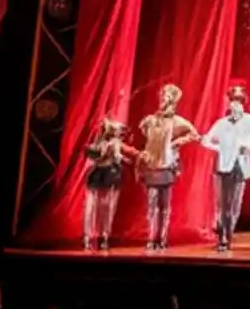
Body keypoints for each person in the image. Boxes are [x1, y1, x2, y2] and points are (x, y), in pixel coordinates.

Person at [202, 84, 250, 251]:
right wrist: (219, 148)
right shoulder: (221, 123)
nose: (237, 104)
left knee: (235, 204)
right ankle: (222, 236)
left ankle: (227, 237)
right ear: (229, 103)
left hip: (240, 167)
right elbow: (207, 139)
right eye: (234, 100)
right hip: (222, 167)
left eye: (240, 100)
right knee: (222, 204)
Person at [137, 83, 199, 251]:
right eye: (162, 97)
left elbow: (194, 133)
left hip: (166, 165)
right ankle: (151, 237)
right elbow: (144, 133)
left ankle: (161, 238)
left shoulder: (176, 121)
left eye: (166, 98)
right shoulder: (151, 120)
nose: (163, 101)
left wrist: (177, 142)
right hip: (152, 165)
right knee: (152, 205)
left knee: (164, 206)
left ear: (173, 102)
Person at [82, 118, 137, 251]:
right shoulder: (101, 143)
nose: (119, 134)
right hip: (99, 174)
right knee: (93, 206)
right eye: (117, 131)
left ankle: (103, 236)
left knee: (106, 206)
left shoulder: (115, 143)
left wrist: (128, 157)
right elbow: (96, 155)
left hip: (109, 174)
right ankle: (89, 236)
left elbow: (121, 154)